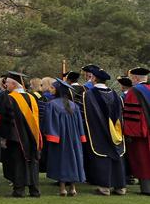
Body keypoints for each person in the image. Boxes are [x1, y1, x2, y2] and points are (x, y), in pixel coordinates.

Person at [81, 67, 127, 195]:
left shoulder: (89, 94)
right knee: (117, 155)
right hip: (116, 130)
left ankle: (104, 187)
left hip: (98, 130)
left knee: (102, 157)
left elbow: (87, 115)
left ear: (94, 78)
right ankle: (120, 187)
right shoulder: (115, 94)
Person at [0, 72, 41, 198]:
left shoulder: (9, 98)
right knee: (32, 161)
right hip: (32, 135)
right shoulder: (32, 97)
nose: (6, 85)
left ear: (14, 84)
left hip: (16, 137)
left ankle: (19, 190)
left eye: (8, 83)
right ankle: (34, 189)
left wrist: (3, 136)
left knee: (18, 163)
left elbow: (5, 118)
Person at [42, 79, 86, 196]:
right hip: (74, 138)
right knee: (73, 160)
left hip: (60, 138)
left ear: (58, 90)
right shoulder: (74, 105)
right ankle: (72, 188)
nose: (49, 89)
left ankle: (62, 188)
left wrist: (50, 135)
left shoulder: (52, 105)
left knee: (61, 160)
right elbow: (80, 124)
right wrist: (81, 136)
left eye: (52, 87)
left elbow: (49, 123)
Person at [123, 67, 150, 195]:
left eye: (131, 78)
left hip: (141, 134)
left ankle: (146, 188)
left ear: (136, 78)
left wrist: (129, 133)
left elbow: (131, 114)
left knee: (142, 159)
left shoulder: (134, 92)